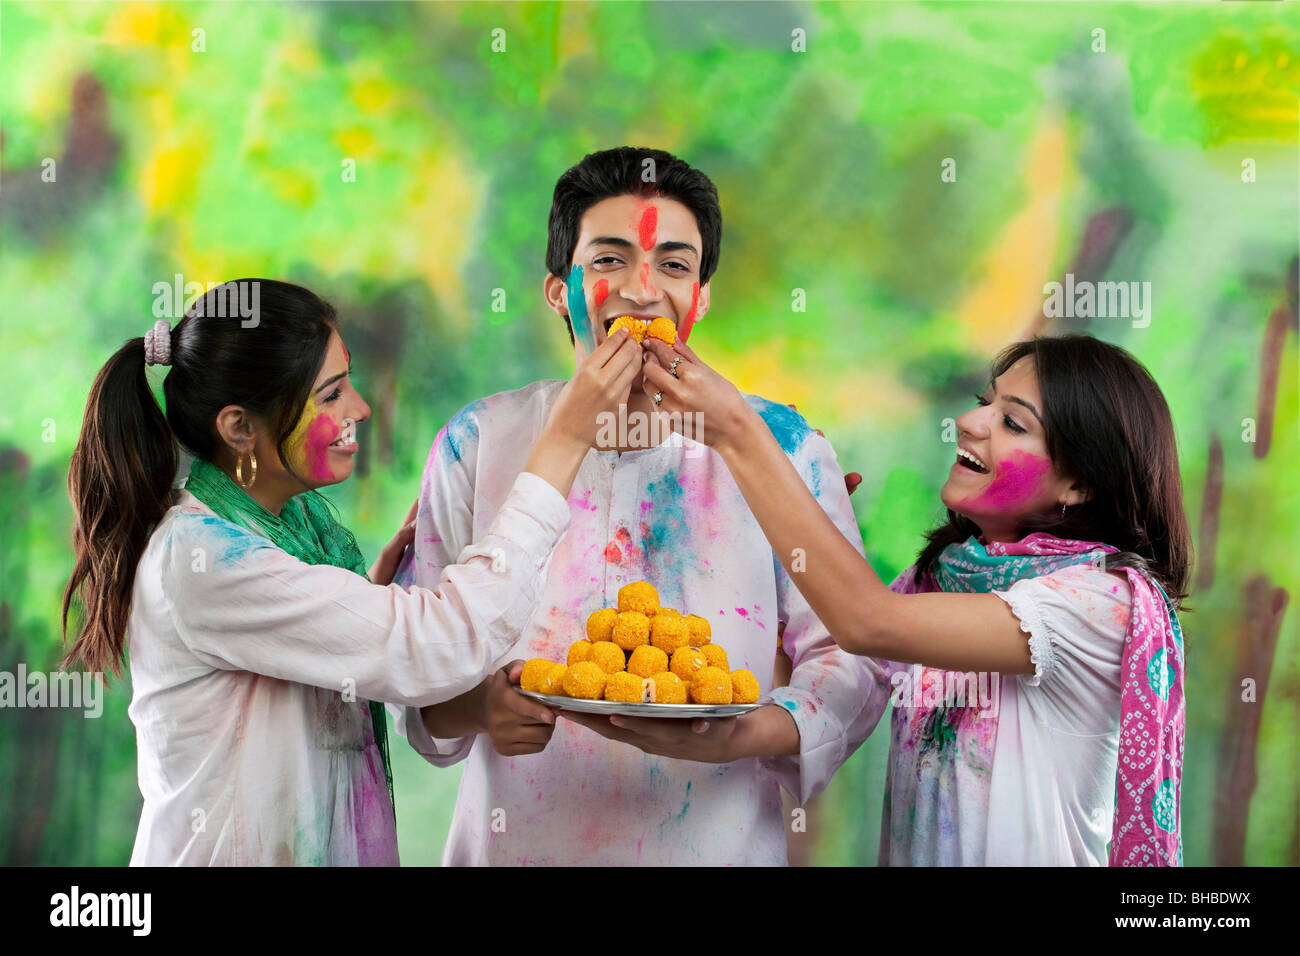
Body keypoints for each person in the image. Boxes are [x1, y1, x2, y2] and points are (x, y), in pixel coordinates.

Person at [389, 147, 889, 866]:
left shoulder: (785, 446)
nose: (643, 290)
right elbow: (420, 675)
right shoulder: (476, 442)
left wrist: (745, 733)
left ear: (703, 297)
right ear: (559, 290)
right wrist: (481, 709)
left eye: (676, 265)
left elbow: (853, 661)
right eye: (610, 260)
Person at [60, 278, 642, 865]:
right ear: (239, 429)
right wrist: (564, 442)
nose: (359, 409)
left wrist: (364, 602)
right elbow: (437, 644)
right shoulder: (200, 560)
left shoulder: (289, 527)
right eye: (331, 394)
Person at [638, 331, 1190, 866]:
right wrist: (721, 736)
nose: (971, 423)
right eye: (985, 402)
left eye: (1013, 422)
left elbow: (864, 621)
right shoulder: (941, 580)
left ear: (1080, 484)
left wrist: (740, 433)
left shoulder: (1098, 603)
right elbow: (835, 675)